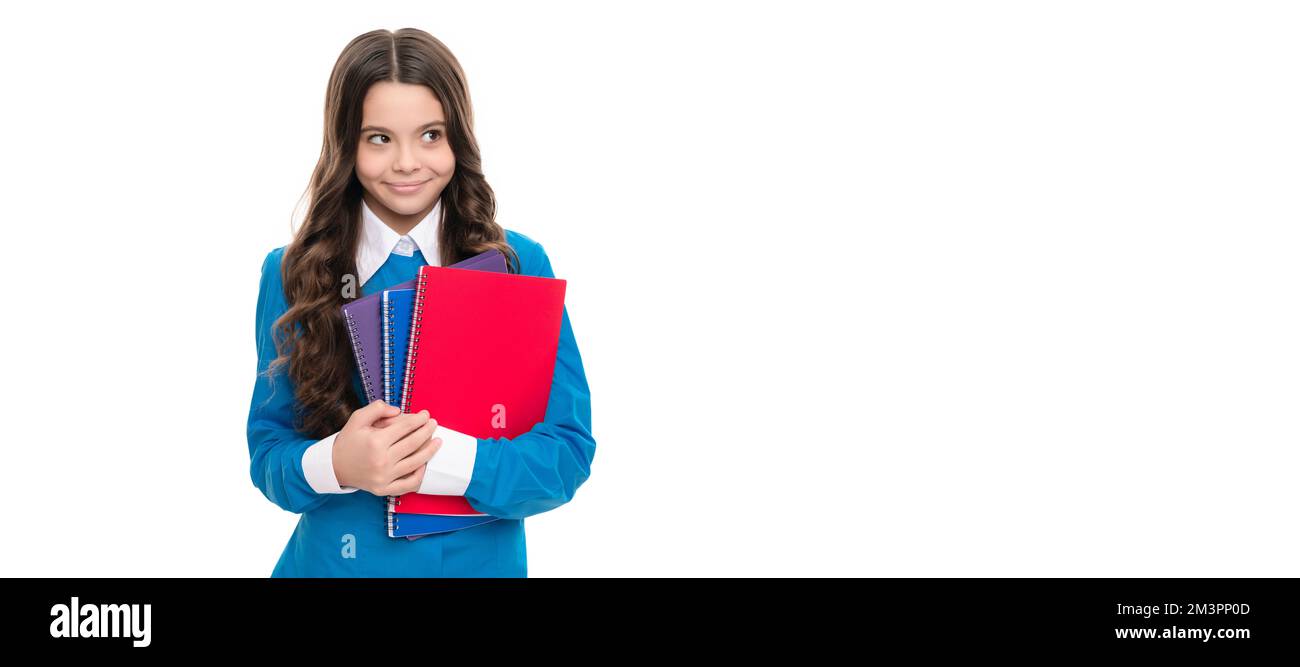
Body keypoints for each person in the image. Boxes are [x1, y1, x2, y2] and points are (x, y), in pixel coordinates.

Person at [247, 28, 596, 577]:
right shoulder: (292, 271)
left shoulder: (518, 264)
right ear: (345, 144)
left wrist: (445, 459)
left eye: (431, 135)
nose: (407, 162)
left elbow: (567, 455)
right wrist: (337, 463)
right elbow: (269, 455)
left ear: (459, 137)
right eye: (379, 138)